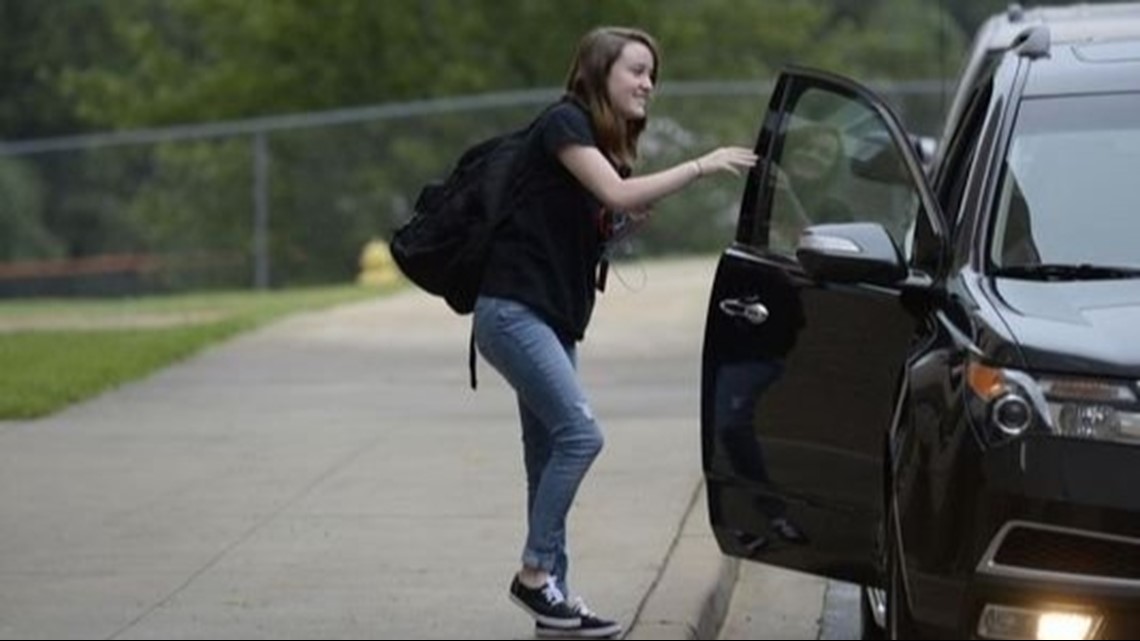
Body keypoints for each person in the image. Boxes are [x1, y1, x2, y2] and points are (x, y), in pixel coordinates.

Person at [472, 26, 757, 639]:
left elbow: (597, 214)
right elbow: (617, 190)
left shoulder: (590, 139)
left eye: (653, 73)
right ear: (600, 72)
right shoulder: (563, 123)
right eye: (637, 70)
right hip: (513, 313)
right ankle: (533, 575)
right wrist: (703, 166)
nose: (649, 83)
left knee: (546, 456)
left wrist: (618, 229)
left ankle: (555, 604)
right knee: (580, 435)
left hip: (549, 317)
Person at [769, 122, 853, 250]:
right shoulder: (763, 187)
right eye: (806, 147)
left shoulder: (836, 212)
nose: (812, 156)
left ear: (833, 168)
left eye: (824, 154)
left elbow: (822, 251)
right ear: (789, 151)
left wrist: (788, 197)